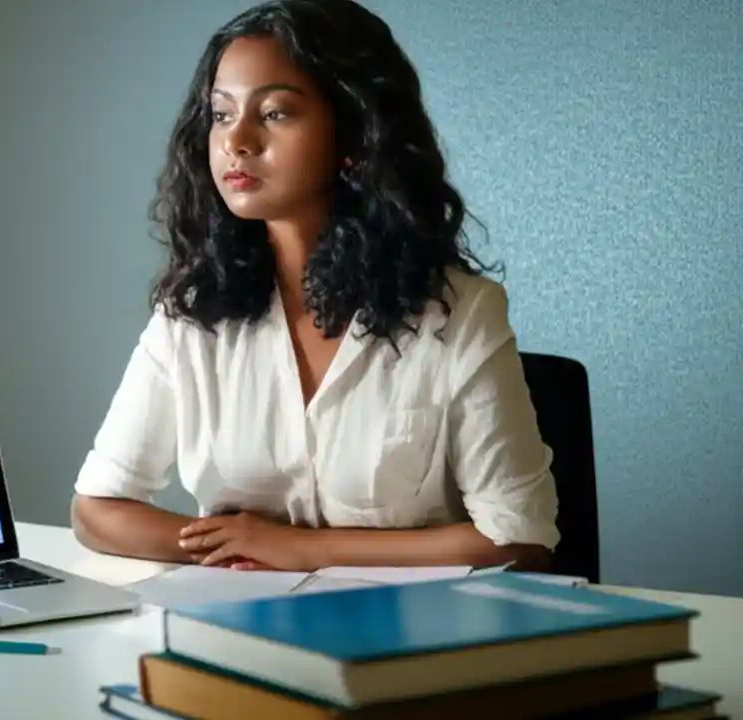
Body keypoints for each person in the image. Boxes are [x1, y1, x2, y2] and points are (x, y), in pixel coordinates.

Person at [70, 0, 559, 573]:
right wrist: (231, 547)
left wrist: (301, 551)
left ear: (355, 137)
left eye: (275, 114)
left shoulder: (460, 313)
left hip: (410, 637)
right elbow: (97, 509)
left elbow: (518, 538)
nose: (238, 141)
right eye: (222, 114)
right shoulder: (190, 315)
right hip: (243, 629)